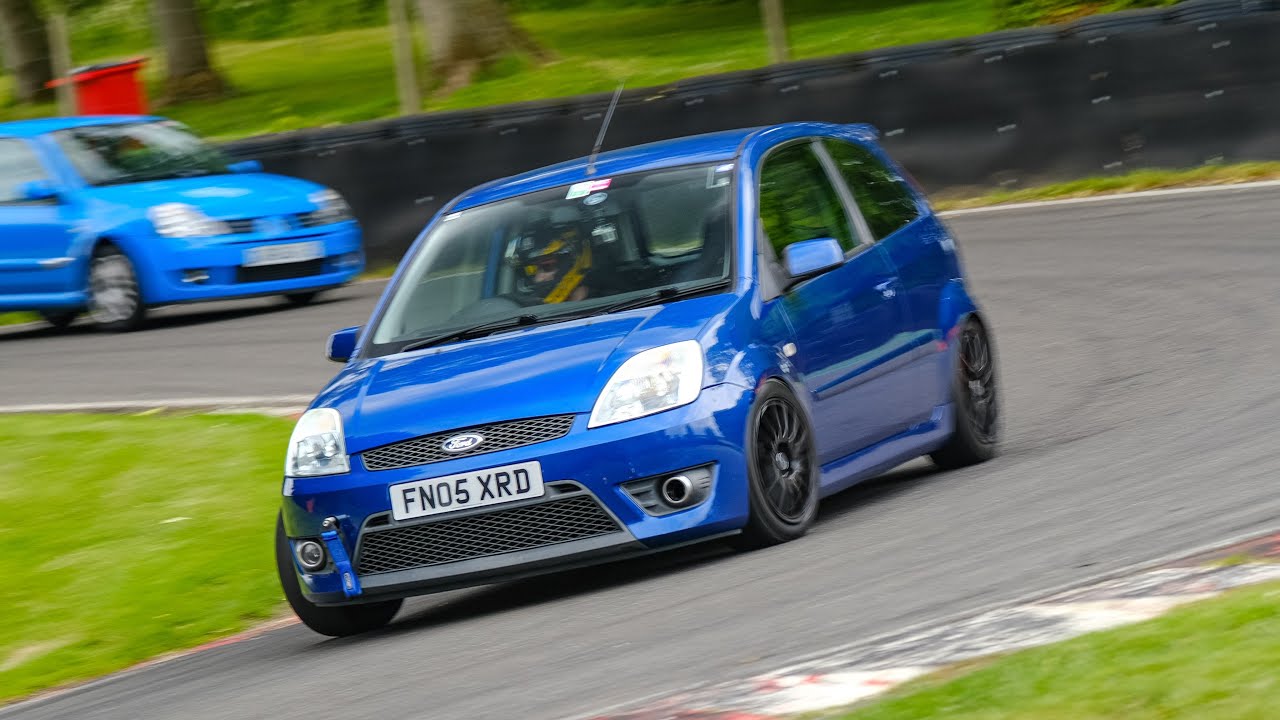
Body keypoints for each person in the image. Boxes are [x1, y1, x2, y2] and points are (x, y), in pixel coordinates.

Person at [513, 214, 593, 304]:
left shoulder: (606, 304)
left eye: (547, 266)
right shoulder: (520, 310)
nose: (538, 278)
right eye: (532, 271)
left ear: (570, 264)